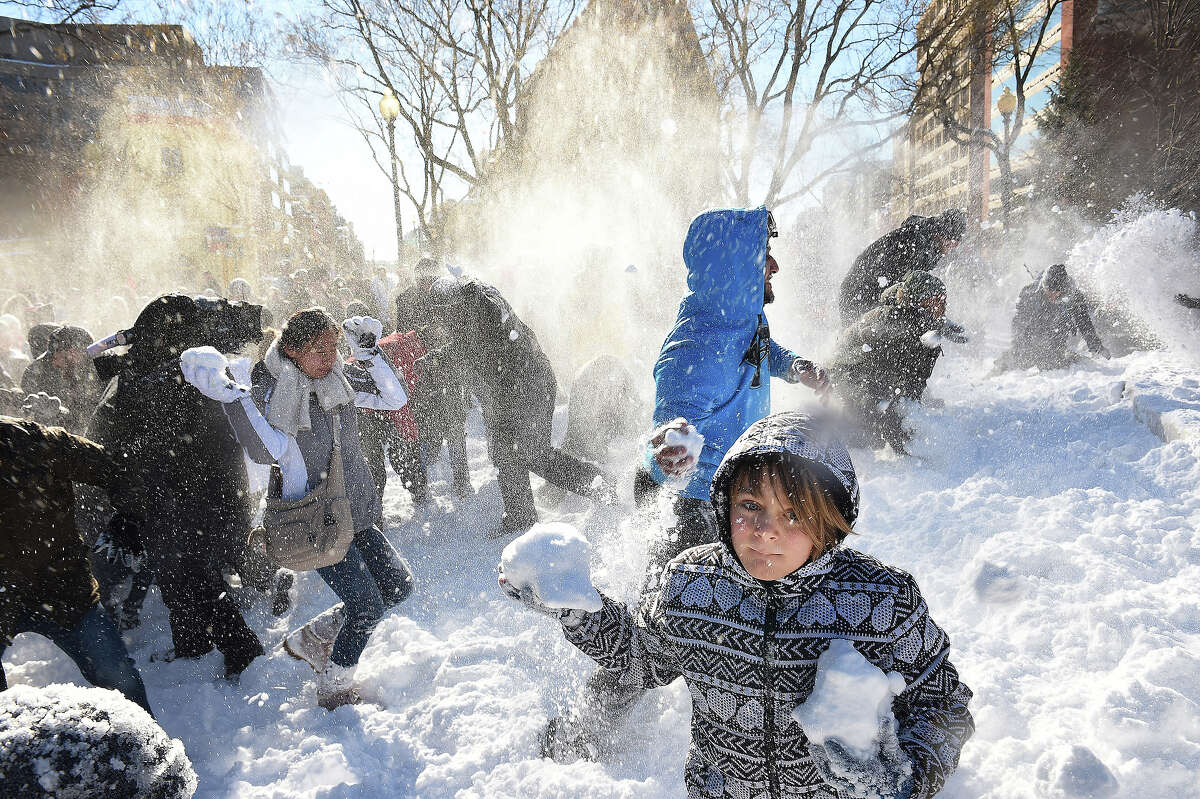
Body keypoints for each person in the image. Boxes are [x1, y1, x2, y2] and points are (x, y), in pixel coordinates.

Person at [500, 411, 974, 798]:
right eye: (750, 505)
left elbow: (945, 703)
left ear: (831, 518)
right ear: (725, 506)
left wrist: (903, 779)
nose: (766, 531)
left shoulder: (880, 600)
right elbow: (645, 660)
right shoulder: (690, 584)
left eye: (792, 513)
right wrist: (578, 609)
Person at [545, 206, 829, 758]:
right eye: (762, 257)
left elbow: (760, 351)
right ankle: (574, 736)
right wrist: (671, 451)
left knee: (746, 604)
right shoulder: (694, 348)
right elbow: (669, 427)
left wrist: (795, 368)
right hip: (689, 502)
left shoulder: (740, 320)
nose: (774, 265)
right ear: (735, 268)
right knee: (661, 638)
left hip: (726, 496)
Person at [183, 308, 415, 709]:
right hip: (313, 520)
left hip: (354, 510)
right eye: (320, 350)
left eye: (335, 348)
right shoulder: (274, 390)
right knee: (366, 609)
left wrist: (371, 354)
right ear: (291, 350)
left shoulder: (336, 381)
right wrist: (231, 397)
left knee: (398, 587)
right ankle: (333, 688)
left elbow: (395, 398)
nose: (331, 358)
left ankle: (316, 637)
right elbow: (265, 450)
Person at [89, 294, 266, 680]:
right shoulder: (199, 362)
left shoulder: (168, 374)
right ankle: (192, 645)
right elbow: (248, 319)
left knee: (190, 578)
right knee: (189, 573)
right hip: (209, 486)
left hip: (176, 495)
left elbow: (125, 437)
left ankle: (242, 650)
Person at [427, 276, 613, 535]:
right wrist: (439, 359)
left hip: (529, 383)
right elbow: (472, 348)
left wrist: (443, 360)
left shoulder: (476, 308)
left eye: (439, 313)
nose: (439, 321)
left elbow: (479, 351)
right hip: (511, 386)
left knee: (532, 452)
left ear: (449, 305)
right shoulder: (473, 302)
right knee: (506, 453)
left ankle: (600, 485)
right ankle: (520, 517)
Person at [0, 416, 154, 716]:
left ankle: (153, 753)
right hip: (4, 595)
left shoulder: (36, 443)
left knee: (119, 677)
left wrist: (128, 519)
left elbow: (117, 468)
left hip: (64, 588)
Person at [828, 271, 967, 454]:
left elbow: (913, 379)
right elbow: (880, 378)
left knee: (896, 411)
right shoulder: (894, 326)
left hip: (868, 376)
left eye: (944, 299)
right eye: (938, 300)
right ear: (921, 302)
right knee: (868, 432)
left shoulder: (918, 319)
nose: (944, 305)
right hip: (845, 378)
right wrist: (895, 426)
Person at [839, 210, 966, 325]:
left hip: (869, 292)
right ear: (941, 234)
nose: (952, 248)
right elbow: (894, 287)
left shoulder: (929, 242)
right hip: (860, 293)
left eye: (956, 244)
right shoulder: (913, 243)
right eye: (952, 242)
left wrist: (935, 319)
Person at [994, 263, 1109, 372]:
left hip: (1057, 337)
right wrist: (1019, 347)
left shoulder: (1074, 297)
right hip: (1032, 335)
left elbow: (1084, 323)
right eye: (1048, 290)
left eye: (1056, 292)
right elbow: (1019, 323)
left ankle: (1070, 358)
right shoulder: (1029, 293)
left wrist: (1095, 345)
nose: (1052, 295)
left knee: (1051, 363)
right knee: (1014, 360)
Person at [20, 325, 104, 434]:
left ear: (73, 354)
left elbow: (91, 424)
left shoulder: (101, 376)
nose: (53, 363)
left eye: (55, 357)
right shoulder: (39, 372)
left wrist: (60, 414)